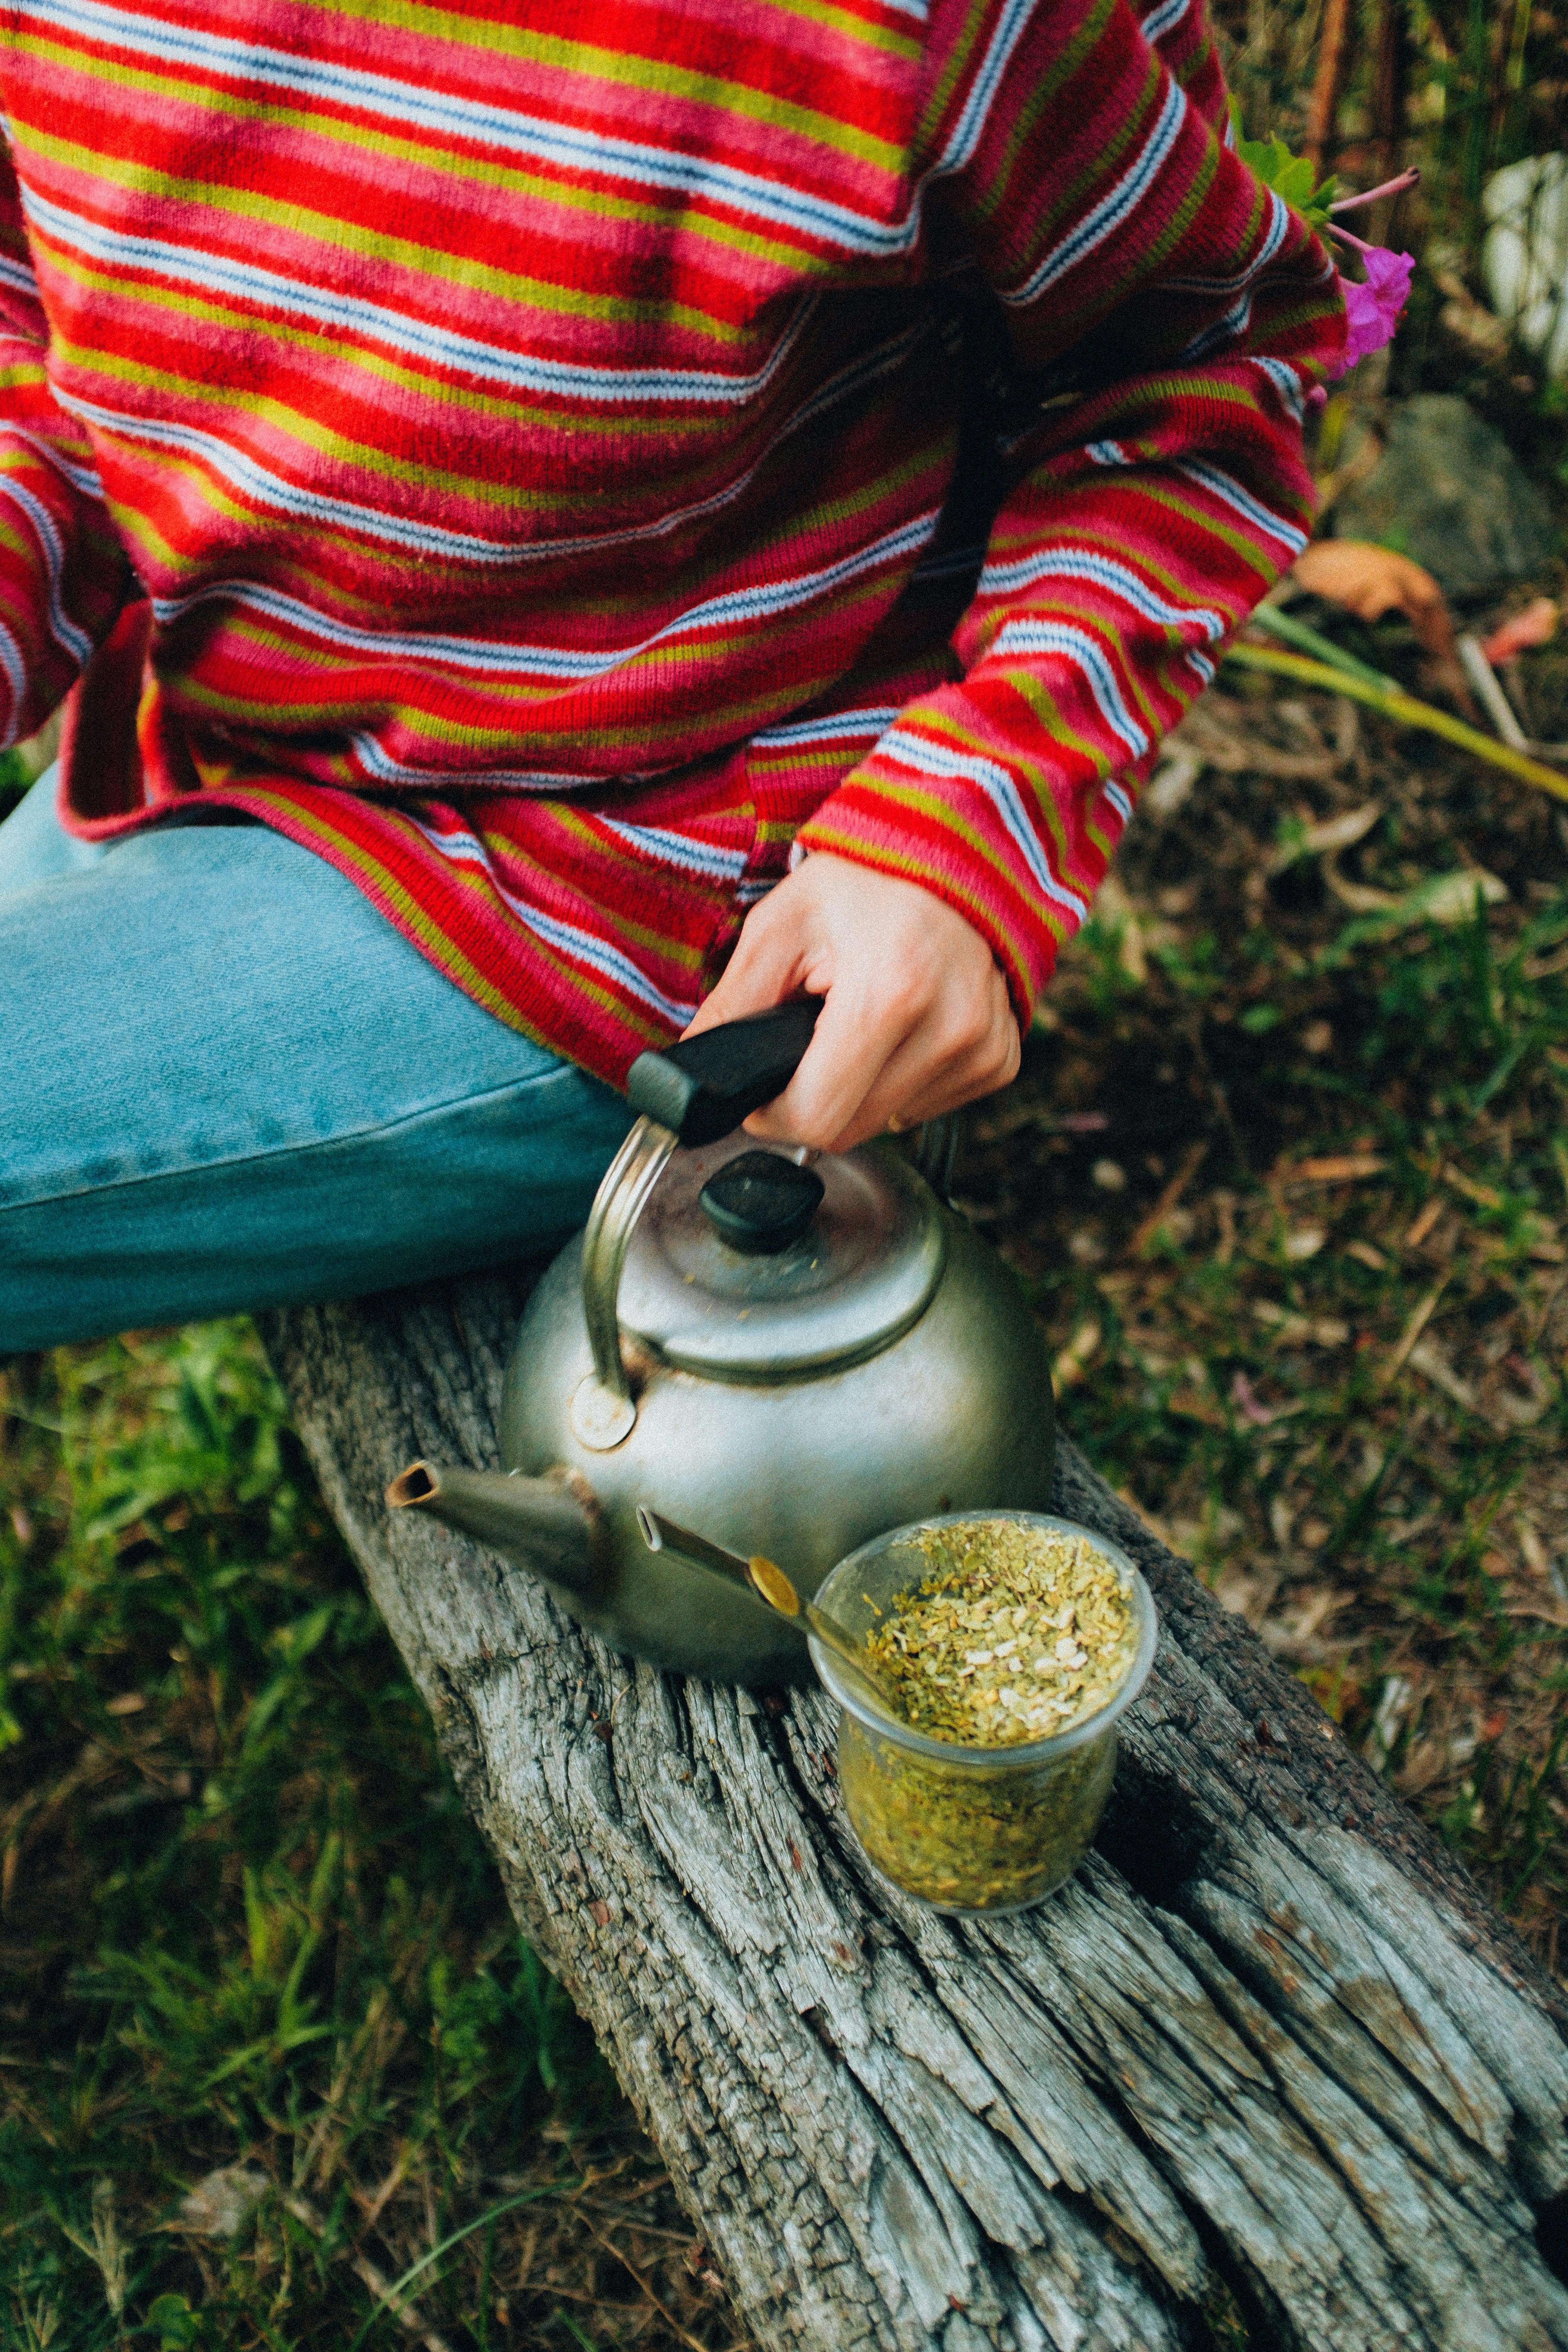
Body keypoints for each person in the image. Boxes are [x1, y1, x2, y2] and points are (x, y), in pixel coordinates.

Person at [0, 0, 1343, 1353]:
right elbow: (38, 322)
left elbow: (1201, 360)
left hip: (630, 906)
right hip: (213, 748)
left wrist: (970, 817)